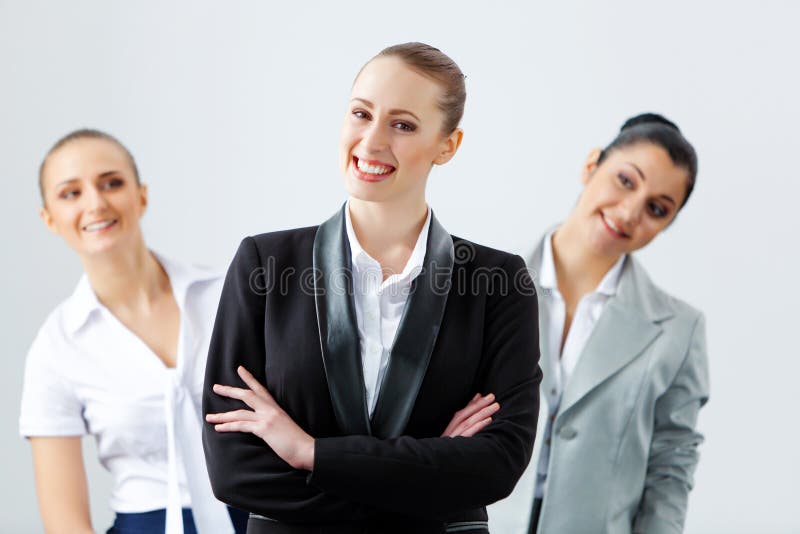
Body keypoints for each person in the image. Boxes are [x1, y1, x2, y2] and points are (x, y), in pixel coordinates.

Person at [202, 42, 542, 534]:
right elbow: (234, 470)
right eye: (361, 114)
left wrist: (308, 452)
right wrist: (430, 481)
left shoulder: (500, 283)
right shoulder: (265, 264)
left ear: (448, 145)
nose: (372, 141)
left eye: (402, 125)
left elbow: (498, 464)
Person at [488, 113, 710, 534]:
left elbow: (671, 466)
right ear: (591, 165)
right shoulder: (484, 284)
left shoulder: (679, 329)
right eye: (626, 180)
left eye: (657, 209)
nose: (629, 213)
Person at [19, 129, 247, 534]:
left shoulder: (224, 296)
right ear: (49, 218)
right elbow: (64, 520)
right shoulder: (56, 348)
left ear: (141, 196)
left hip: (258, 518)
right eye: (71, 193)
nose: (96, 203)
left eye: (112, 183)